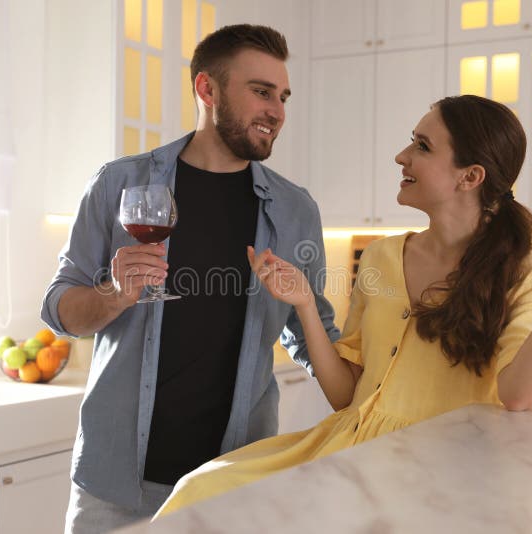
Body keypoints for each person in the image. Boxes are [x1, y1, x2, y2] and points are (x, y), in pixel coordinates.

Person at [153, 94, 532, 517]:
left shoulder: (531, 272)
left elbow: (518, 395)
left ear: (470, 176)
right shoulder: (382, 256)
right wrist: (301, 303)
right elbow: (348, 396)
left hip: (440, 466)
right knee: (201, 490)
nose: (402, 156)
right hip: (344, 446)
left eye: (423, 146)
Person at [41, 24, 340, 531]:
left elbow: (315, 335)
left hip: (233, 482)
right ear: (207, 89)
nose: (277, 111)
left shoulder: (294, 210)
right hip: (116, 487)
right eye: (261, 92)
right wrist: (114, 295)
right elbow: (59, 311)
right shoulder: (122, 183)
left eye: (283, 97)